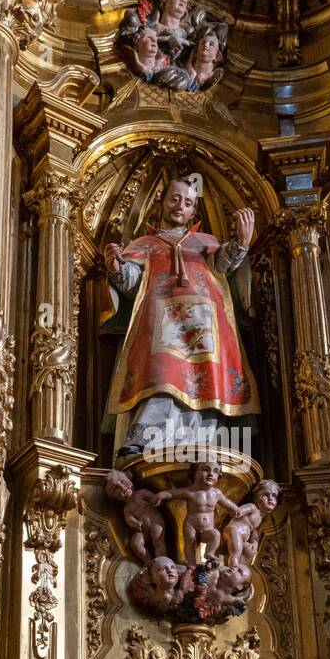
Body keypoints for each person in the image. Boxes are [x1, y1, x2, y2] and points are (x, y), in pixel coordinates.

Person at [102, 175, 259, 455]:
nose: (180, 206)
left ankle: (204, 448)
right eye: (174, 199)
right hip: (162, 321)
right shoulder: (145, 244)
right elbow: (132, 285)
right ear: (161, 203)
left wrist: (242, 242)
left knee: (207, 380)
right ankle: (144, 441)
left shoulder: (205, 241)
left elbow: (223, 264)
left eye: (187, 203)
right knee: (162, 374)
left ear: (193, 212)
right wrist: (115, 267)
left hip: (206, 322)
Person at [158, 460, 244, 562]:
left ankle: (209, 553)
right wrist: (161, 495)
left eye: (215, 471)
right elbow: (172, 493)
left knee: (215, 534)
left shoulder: (217, 493)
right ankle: (191, 563)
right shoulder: (190, 491)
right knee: (190, 543)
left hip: (208, 528)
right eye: (205, 470)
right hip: (191, 525)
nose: (211, 474)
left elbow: (227, 502)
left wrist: (234, 508)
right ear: (194, 473)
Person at [224, 479, 280, 567]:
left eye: (274, 496)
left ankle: (239, 571)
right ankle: (233, 569)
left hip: (243, 537)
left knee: (249, 553)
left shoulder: (261, 517)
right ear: (256, 497)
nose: (270, 498)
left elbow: (254, 533)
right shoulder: (252, 507)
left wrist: (255, 543)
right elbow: (240, 511)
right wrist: (237, 512)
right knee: (236, 552)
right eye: (265, 495)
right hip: (234, 530)